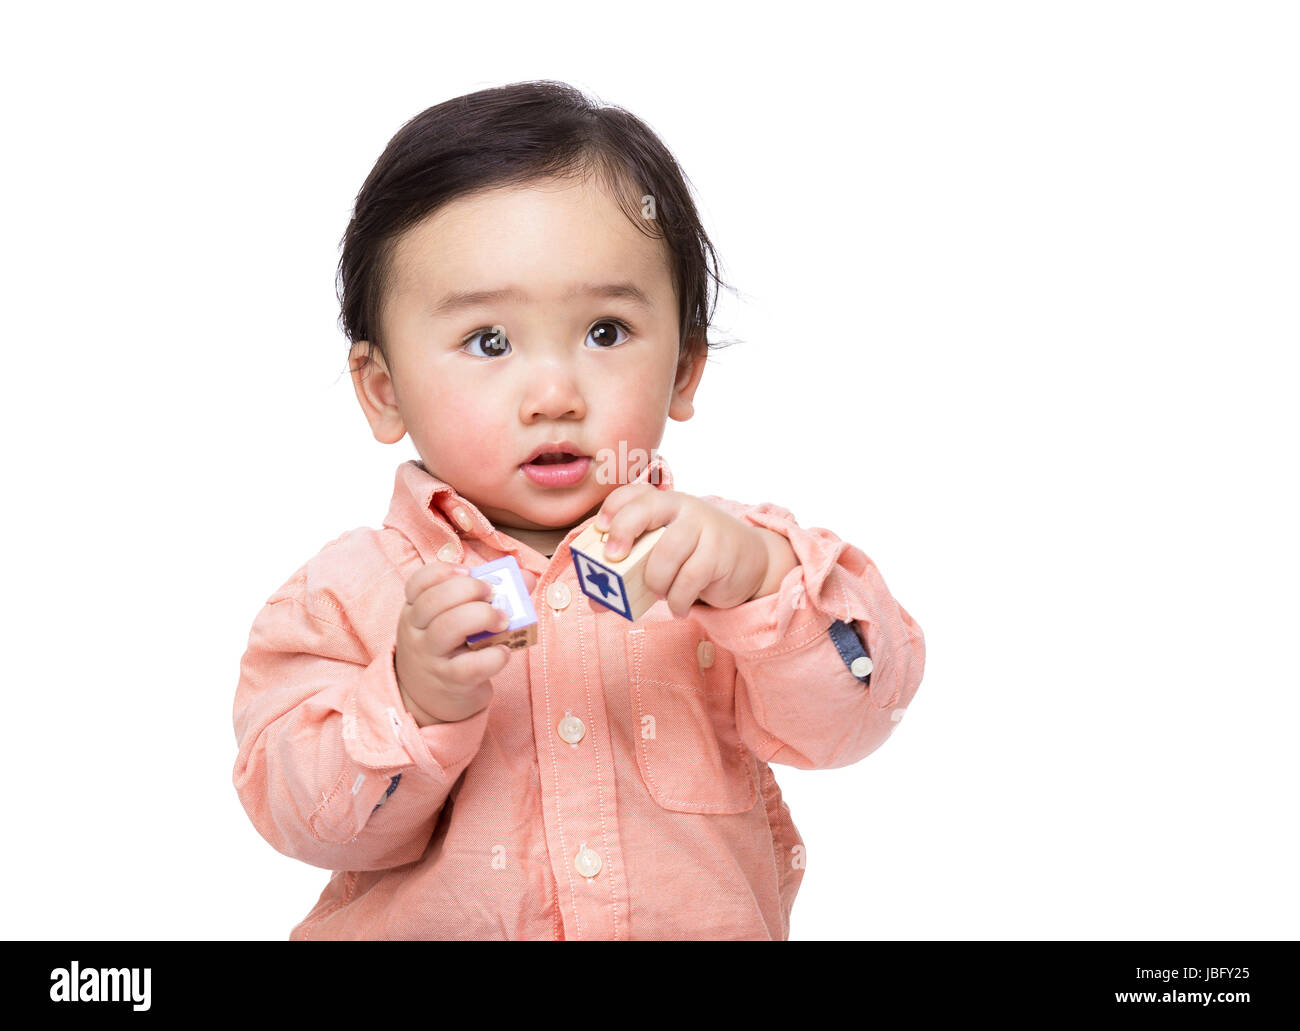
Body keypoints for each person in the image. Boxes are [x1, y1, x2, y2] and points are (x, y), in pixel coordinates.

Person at [232, 80, 926, 940]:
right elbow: (298, 816)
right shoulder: (344, 595)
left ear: (683, 368)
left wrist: (762, 579)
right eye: (489, 342)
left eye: (606, 331)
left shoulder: (720, 566)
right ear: (383, 390)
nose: (554, 394)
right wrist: (411, 699)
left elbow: (863, 708)